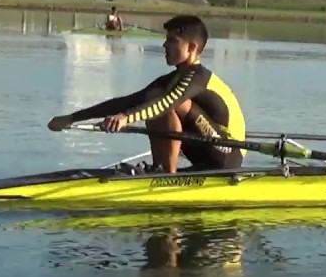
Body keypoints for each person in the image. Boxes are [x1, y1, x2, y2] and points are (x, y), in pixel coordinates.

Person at [47, 14, 245, 174]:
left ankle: (167, 176)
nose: (164, 46)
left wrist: (126, 118)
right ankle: (163, 171)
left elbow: (167, 103)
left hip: (227, 153)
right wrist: (72, 118)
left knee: (165, 101)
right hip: (205, 149)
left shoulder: (199, 77)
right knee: (150, 98)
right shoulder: (173, 79)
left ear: (192, 47)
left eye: (172, 41)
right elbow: (126, 102)